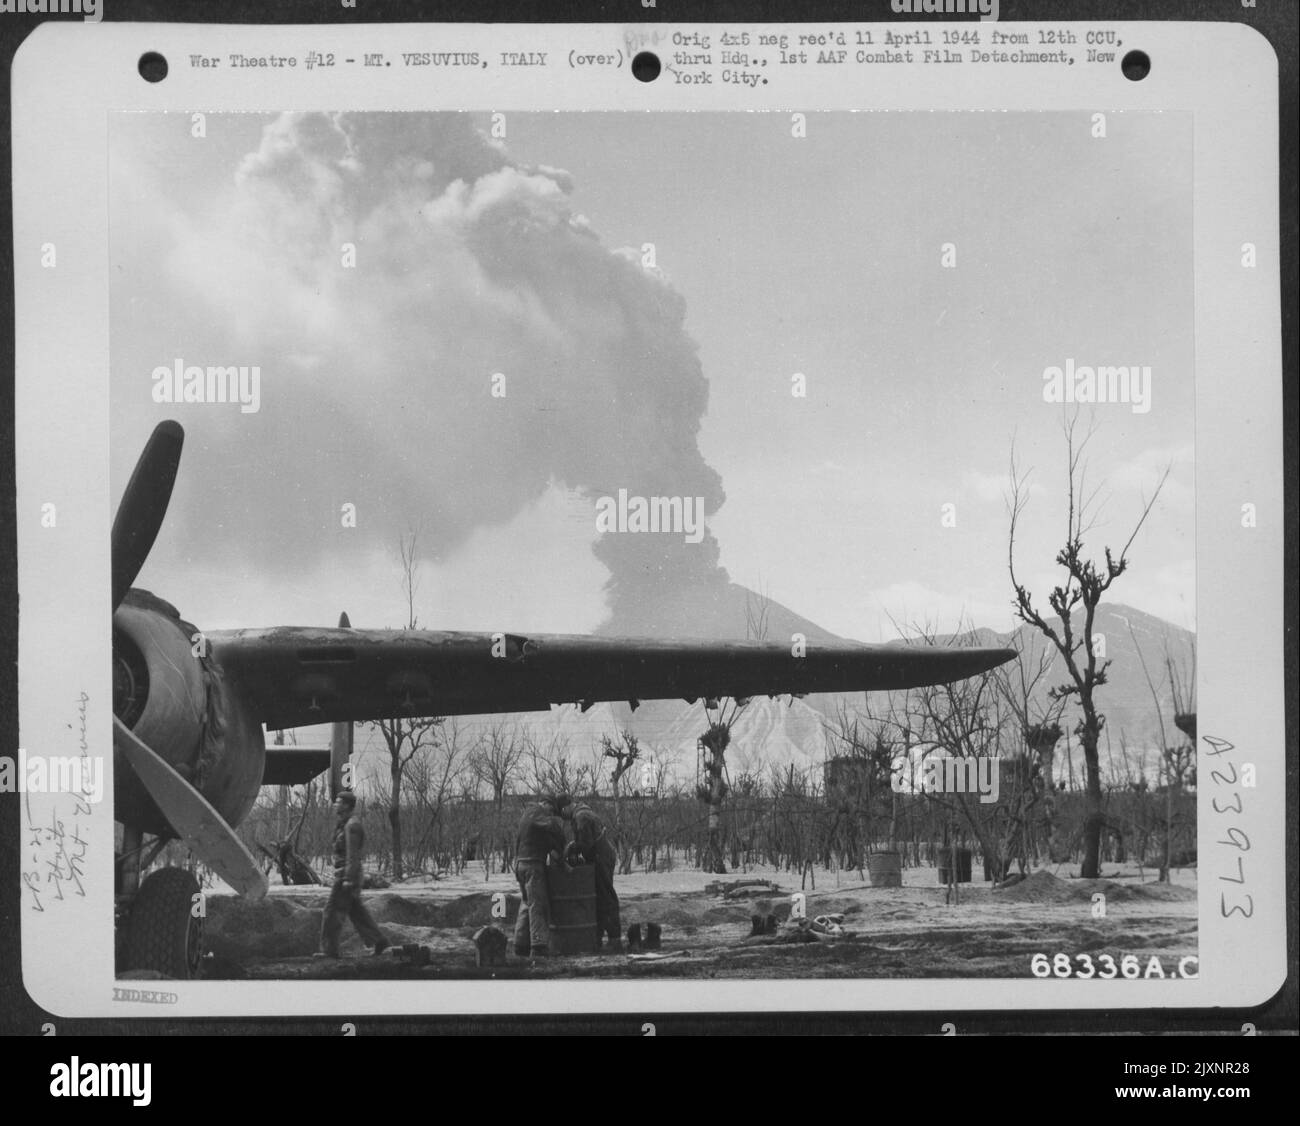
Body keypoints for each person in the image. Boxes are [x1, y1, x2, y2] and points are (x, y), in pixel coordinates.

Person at [316, 791, 388, 959]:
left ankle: (329, 951)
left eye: (339, 802)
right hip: (346, 874)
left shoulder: (352, 825)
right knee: (357, 912)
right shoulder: (344, 824)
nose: (335, 805)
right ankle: (379, 941)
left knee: (332, 912)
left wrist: (348, 879)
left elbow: (353, 855)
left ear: (347, 805)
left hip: (347, 876)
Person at [513, 793, 569, 958]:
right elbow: (553, 827)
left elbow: (543, 839)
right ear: (546, 804)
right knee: (538, 905)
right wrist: (562, 844)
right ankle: (538, 947)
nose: (551, 814)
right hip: (532, 865)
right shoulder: (538, 812)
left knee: (526, 903)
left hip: (520, 864)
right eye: (551, 810)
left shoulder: (528, 814)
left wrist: (555, 847)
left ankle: (520, 944)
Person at [564, 799, 622, 952]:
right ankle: (599, 937)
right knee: (599, 897)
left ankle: (615, 939)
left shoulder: (581, 816)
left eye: (562, 811)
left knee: (606, 896)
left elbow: (586, 843)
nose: (562, 815)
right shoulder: (583, 812)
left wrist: (571, 847)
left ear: (567, 806)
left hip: (601, 856)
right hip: (601, 855)